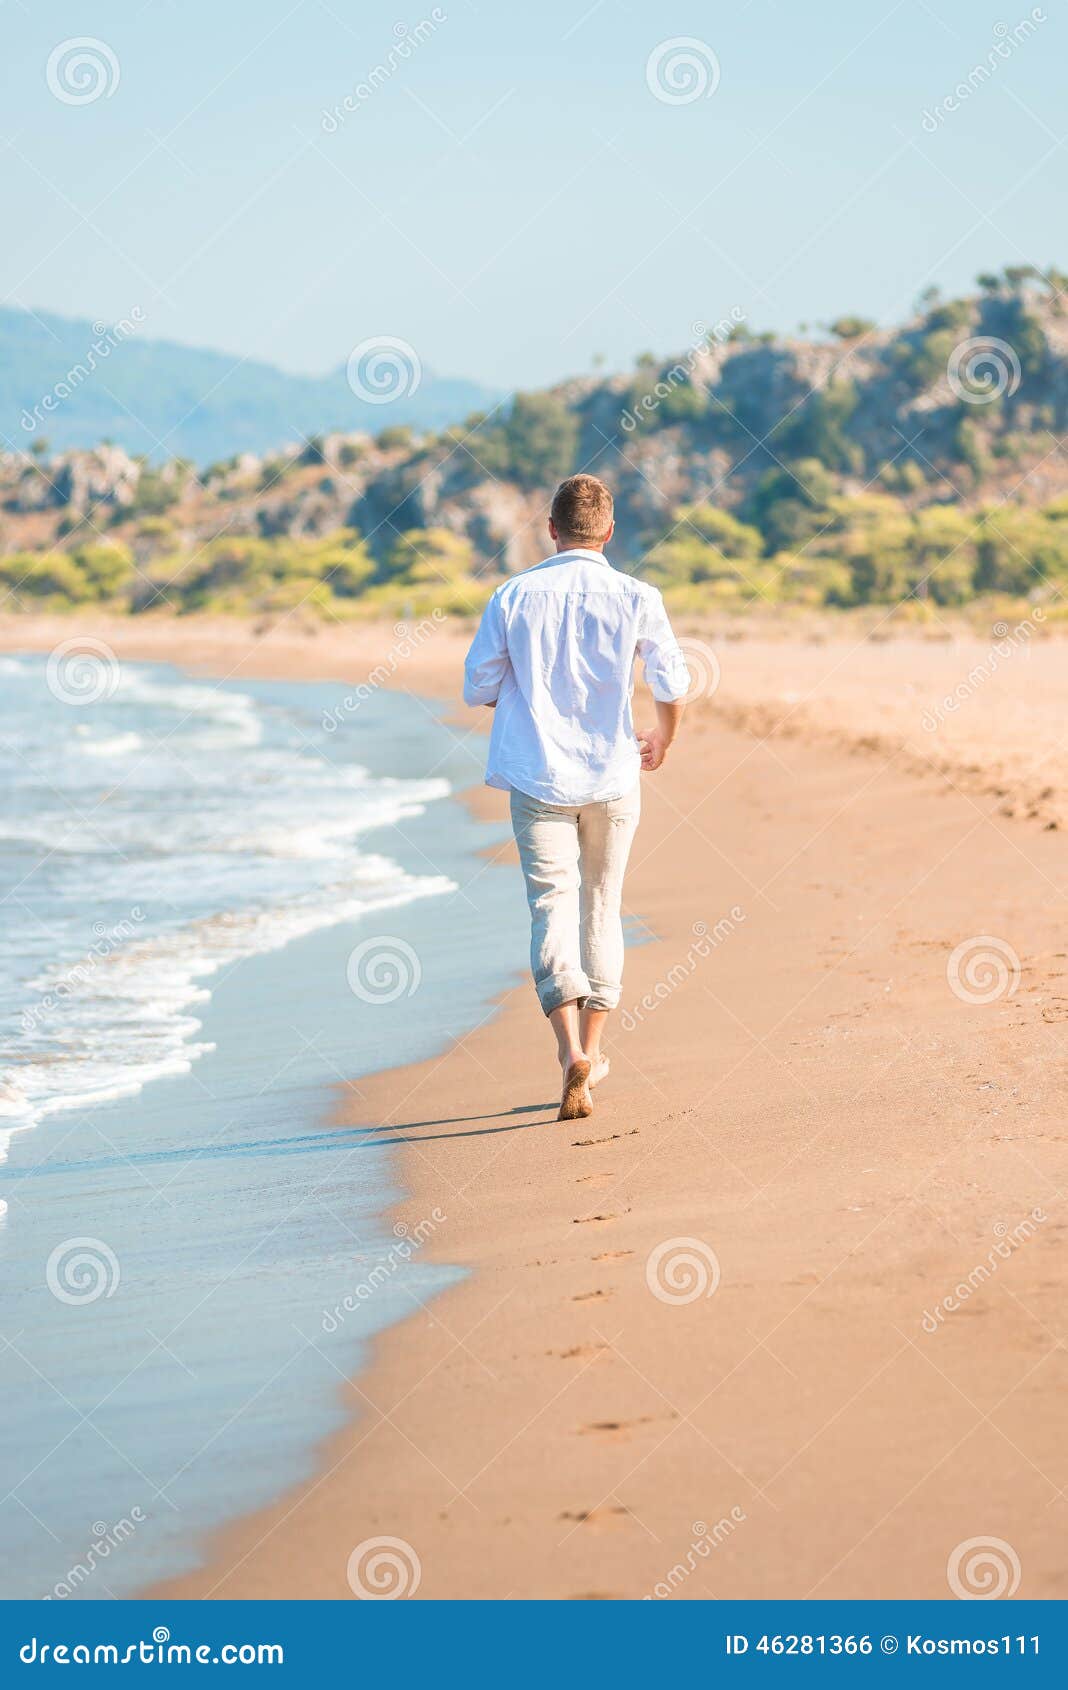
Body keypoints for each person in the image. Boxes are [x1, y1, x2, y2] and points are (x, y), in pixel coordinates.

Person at [463, 473, 689, 1120]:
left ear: (552, 530)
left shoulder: (512, 595)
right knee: (603, 906)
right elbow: (672, 677)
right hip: (613, 775)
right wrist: (663, 736)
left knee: (550, 907)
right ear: (609, 533)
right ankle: (594, 1046)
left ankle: (567, 1053)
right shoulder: (638, 594)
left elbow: (476, 687)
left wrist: (517, 685)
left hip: (537, 776)